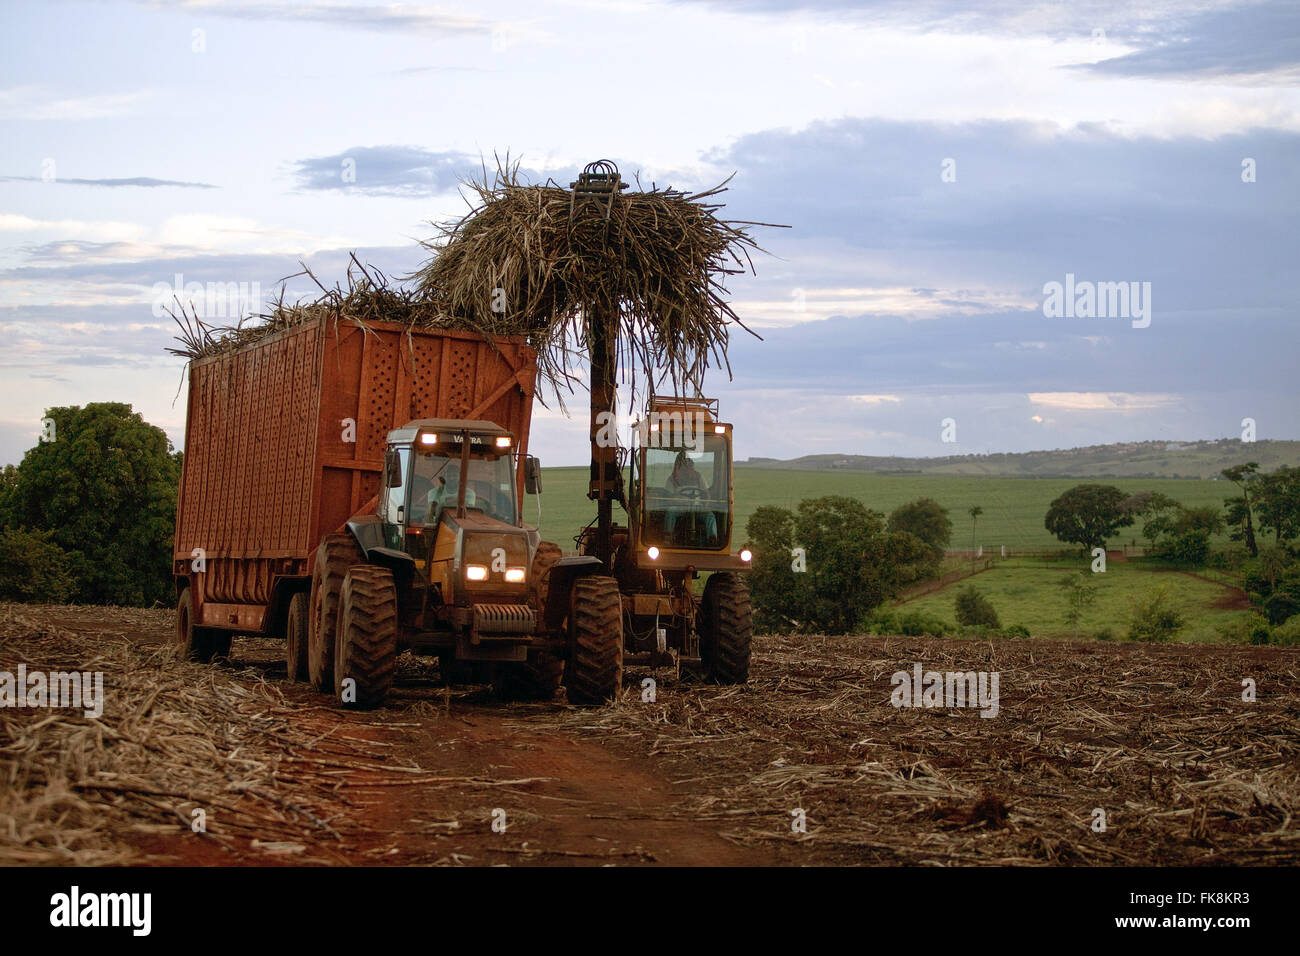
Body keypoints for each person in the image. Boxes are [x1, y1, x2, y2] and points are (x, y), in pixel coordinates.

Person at [664, 451, 717, 542]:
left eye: (690, 466)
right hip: (679, 507)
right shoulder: (673, 479)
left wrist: (706, 505)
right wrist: (675, 498)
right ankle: (668, 536)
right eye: (685, 466)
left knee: (710, 516)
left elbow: (706, 493)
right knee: (670, 512)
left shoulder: (698, 477)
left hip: (697, 507)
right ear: (680, 467)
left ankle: (712, 538)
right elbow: (668, 496)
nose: (689, 469)